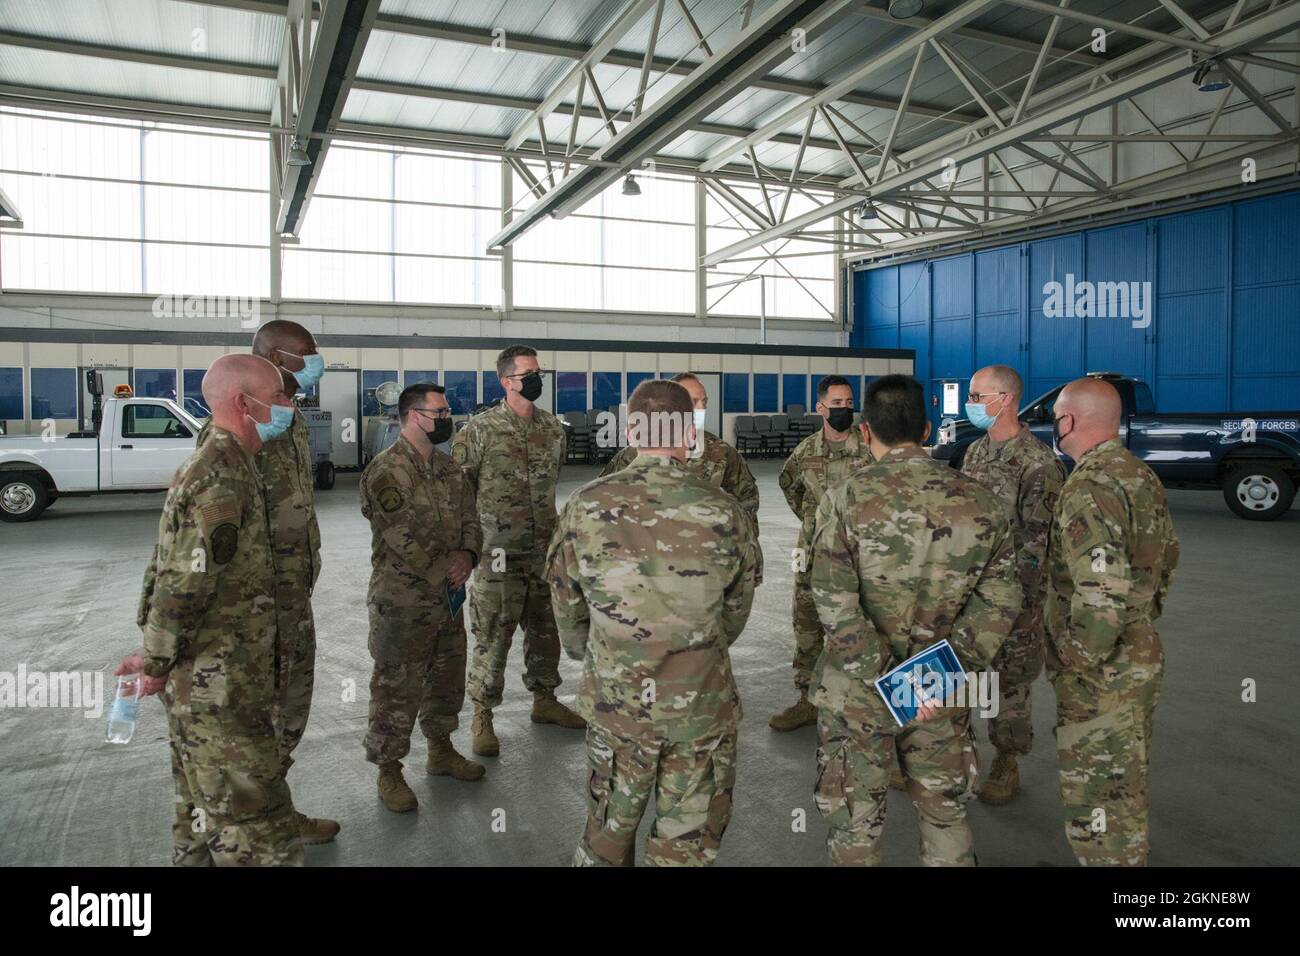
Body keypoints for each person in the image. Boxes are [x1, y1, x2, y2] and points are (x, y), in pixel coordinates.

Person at [810, 374, 1021, 866]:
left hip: (858, 697)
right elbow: (1002, 600)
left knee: (855, 822)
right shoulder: (984, 504)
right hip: (940, 696)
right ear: (927, 431)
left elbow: (834, 602)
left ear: (865, 431)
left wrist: (886, 680)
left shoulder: (844, 500)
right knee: (945, 816)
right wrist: (926, 683)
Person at [548, 380, 758, 866]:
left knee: (606, 834)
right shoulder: (724, 510)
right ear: (688, 432)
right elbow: (736, 611)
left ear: (630, 428)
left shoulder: (585, 504)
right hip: (700, 707)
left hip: (618, 705)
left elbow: (566, 600)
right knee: (686, 846)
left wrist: (595, 654)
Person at [123, 353, 302, 866]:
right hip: (218, 686)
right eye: (280, 398)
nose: (289, 406)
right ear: (245, 404)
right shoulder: (220, 474)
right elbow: (183, 582)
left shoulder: (234, 464)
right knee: (255, 825)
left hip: (215, 678)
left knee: (198, 807)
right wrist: (155, 662)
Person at [189, 319, 337, 843]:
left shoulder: (287, 417)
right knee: (254, 723)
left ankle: (276, 811)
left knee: (290, 711)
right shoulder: (235, 429)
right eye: (309, 353)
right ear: (278, 355)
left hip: (293, 597)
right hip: (254, 609)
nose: (316, 360)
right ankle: (241, 831)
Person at [1045, 377, 1179, 866]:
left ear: (1070, 421)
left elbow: (1101, 593)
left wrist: (1073, 656)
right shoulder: (1138, 474)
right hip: (1139, 652)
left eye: (1058, 416)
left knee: (1099, 801)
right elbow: (1166, 558)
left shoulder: (1089, 487)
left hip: (1101, 674)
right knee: (1125, 783)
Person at [452, 345, 584, 758]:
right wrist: (466, 549)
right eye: (528, 373)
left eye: (539, 371)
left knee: (546, 633)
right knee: (493, 634)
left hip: (544, 551)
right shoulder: (479, 431)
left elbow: (552, 486)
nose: (536, 379)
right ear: (506, 381)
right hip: (496, 554)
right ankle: (482, 714)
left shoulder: (552, 429)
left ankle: (544, 700)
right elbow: (459, 494)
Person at [360, 383, 483, 812]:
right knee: (397, 686)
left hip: (447, 599)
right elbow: (399, 536)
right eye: (441, 411)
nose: (448, 417)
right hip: (403, 601)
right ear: (414, 415)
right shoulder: (386, 470)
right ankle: (389, 771)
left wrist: (467, 555)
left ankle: (441, 750)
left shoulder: (451, 469)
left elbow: (471, 517)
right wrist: (444, 568)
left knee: (447, 678)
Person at [960, 365, 1066, 805]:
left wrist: (1001, 599)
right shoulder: (974, 454)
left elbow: (1037, 548)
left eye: (977, 395)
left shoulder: (1039, 464)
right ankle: (951, 757)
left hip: (1013, 600)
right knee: (960, 678)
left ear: (1005, 400)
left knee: (1007, 684)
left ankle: (1007, 760)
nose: (970, 403)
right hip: (967, 593)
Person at [770, 374, 873, 731]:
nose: (845, 409)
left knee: (861, 627)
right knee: (808, 624)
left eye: (849, 403)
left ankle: (859, 703)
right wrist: (813, 520)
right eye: (837, 403)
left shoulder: (870, 449)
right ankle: (807, 700)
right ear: (820, 408)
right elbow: (789, 485)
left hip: (861, 557)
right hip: (812, 555)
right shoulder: (805, 452)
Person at [600, 372, 759, 523]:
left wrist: (736, 537)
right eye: (693, 401)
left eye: (704, 401)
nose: (701, 408)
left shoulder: (722, 452)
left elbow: (747, 498)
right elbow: (605, 497)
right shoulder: (636, 451)